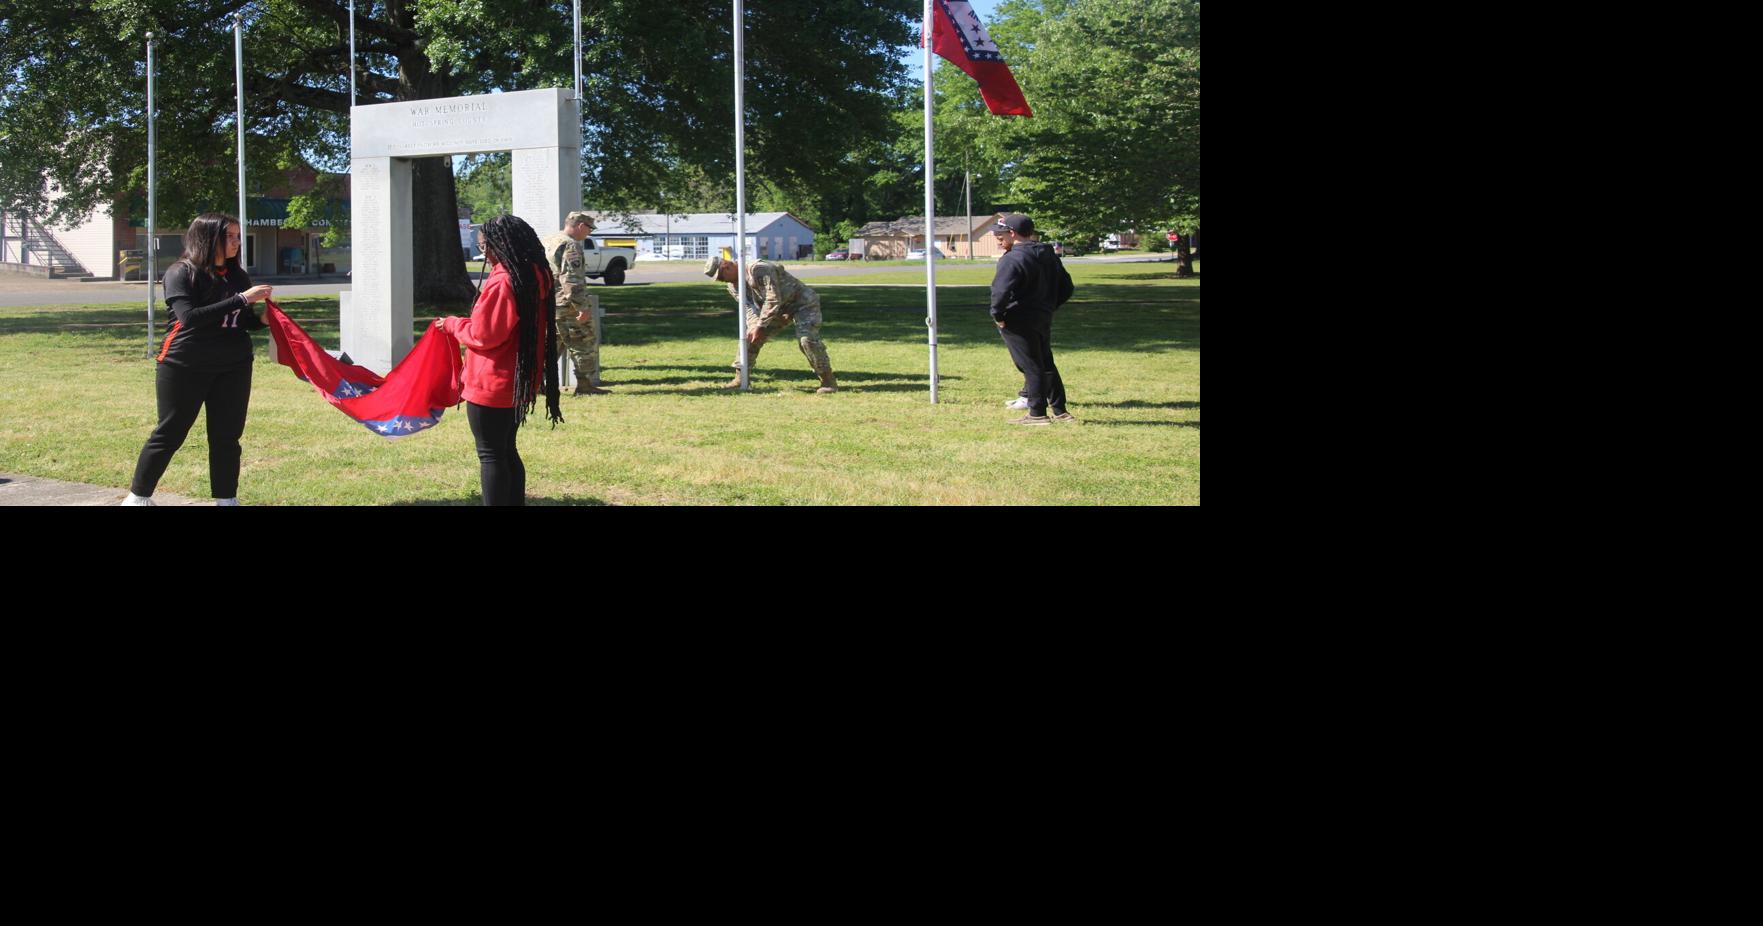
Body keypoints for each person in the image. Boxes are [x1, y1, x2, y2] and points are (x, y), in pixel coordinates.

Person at [121, 213, 274, 505]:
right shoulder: (181, 272)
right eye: (230, 236)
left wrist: (262, 320)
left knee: (227, 437)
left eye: (238, 236)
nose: (237, 243)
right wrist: (242, 299)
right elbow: (189, 318)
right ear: (208, 238)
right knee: (171, 432)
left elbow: (239, 321)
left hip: (234, 365)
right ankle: (138, 497)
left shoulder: (237, 275)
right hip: (185, 364)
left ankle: (226, 499)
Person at [435, 214, 563, 506]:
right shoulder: (536, 273)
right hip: (519, 380)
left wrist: (454, 324)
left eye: (486, 246)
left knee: (491, 455)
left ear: (499, 245)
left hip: (493, 382)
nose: (485, 253)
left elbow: (485, 335)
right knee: (506, 450)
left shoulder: (505, 281)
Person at [704, 254, 838, 393]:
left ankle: (827, 380)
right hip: (776, 310)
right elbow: (748, 308)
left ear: (727, 265)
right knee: (748, 338)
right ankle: (741, 378)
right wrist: (754, 326)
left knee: (807, 340)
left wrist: (761, 325)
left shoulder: (760, 269)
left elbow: (772, 299)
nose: (721, 281)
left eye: (721, 277)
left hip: (801, 304)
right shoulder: (733, 286)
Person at [989, 213, 1075, 425]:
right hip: (1042, 316)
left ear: (1012, 233)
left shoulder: (1011, 258)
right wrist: (1050, 306)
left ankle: (1037, 413)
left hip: (1017, 318)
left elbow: (1000, 291)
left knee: (1031, 365)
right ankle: (1060, 411)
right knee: (1045, 362)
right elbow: (1067, 287)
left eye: (1001, 234)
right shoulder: (1048, 253)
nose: (998, 239)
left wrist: (998, 315)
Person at [541, 210, 610, 395]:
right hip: (567, 305)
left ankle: (536, 383)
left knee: (550, 345)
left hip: (549, 303)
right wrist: (581, 307)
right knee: (584, 342)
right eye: (589, 229)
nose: (589, 233)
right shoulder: (571, 245)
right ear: (580, 226)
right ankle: (585, 385)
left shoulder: (549, 240)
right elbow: (571, 278)